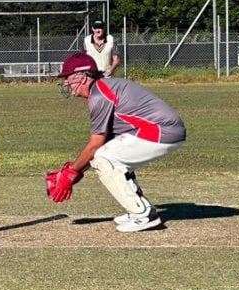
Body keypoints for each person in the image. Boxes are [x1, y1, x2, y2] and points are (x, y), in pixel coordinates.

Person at [48, 52, 186, 233]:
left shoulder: (99, 94)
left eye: (68, 77)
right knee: (111, 156)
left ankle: (142, 215)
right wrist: (76, 171)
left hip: (162, 131)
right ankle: (140, 208)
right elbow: (104, 142)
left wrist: (71, 173)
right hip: (163, 130)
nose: (66, 83)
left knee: (104, 158)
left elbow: (96, 145)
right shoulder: (102, 88)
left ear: (83, 77)